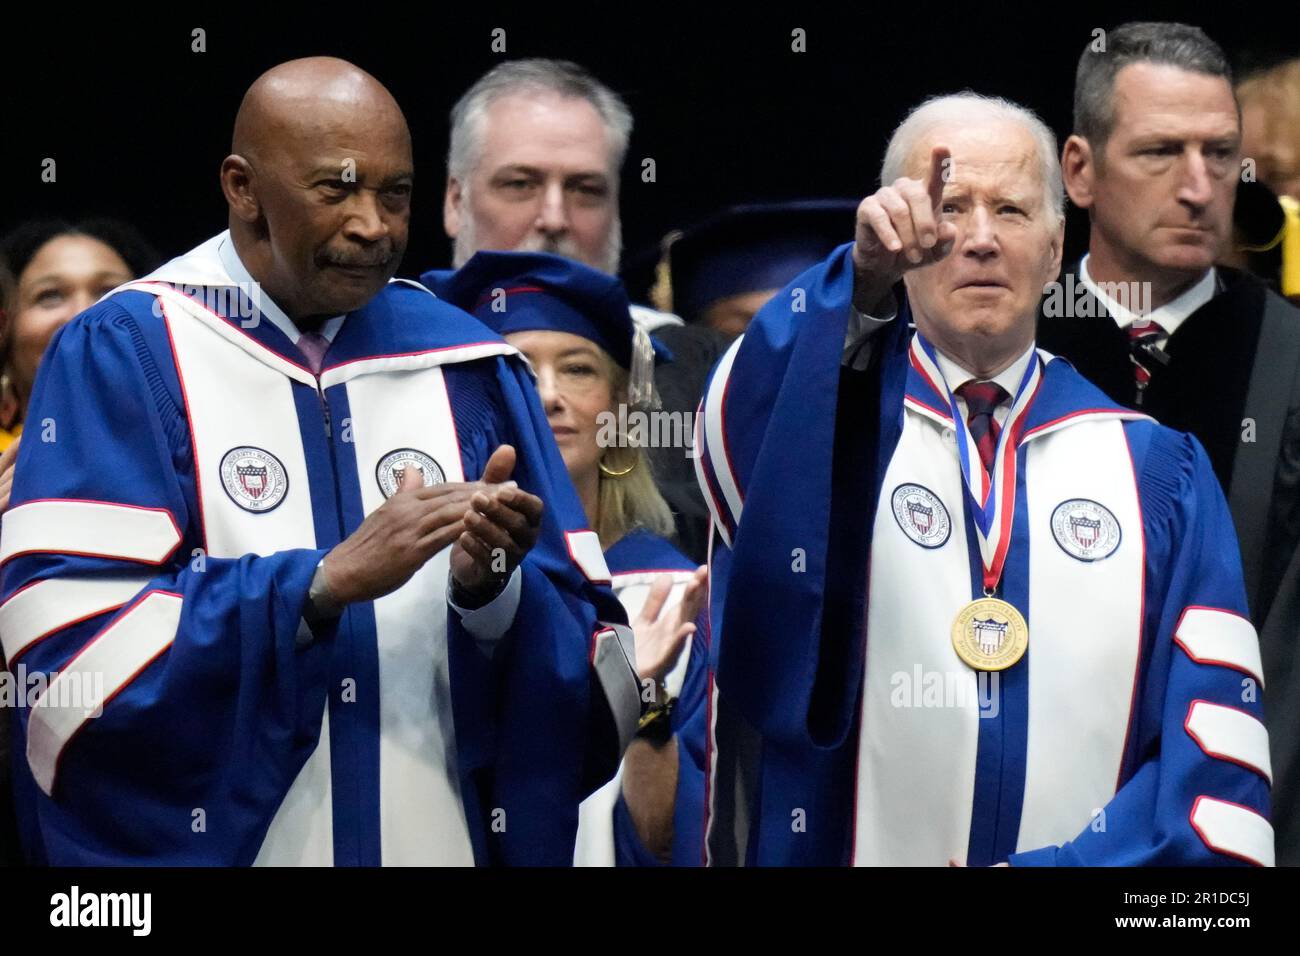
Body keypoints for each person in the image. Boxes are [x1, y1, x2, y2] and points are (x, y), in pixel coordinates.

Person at [0, 57, 640, 866]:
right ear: (242, 187)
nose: (373, 224)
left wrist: (491, 595)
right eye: (336, 190)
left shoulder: (470, 368)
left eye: (396, 194)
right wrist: (320, 585)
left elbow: (596, 679)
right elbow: (67, 659)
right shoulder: (128, 352)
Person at [697, 92, 1272, 866]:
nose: (978, 240)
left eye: (1009, 210)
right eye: (946, 208)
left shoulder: (1158, 473)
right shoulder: (823, 431)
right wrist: (856, 282)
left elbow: (1208, 768)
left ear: (1056, 243)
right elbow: (739, 453)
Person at [1035, 22, 1300, 864]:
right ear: (1079, 170)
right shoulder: (997, 348)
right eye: (1160, 153)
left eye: (1220, 155)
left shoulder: (1287, 361)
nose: (1198, 187)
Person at [432, 251, 708, 866]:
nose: (550, 396)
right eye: (520, 371)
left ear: (619, 410)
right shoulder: (427, 583)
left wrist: (646, 701)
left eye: (578, 369)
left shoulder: (672, 594)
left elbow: (669, 841)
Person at [437, 58, 721, 561]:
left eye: (585, 189)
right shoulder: (393, 362)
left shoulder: (687, 374)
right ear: (455, 202)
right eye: (520, 183)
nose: (554, 218)